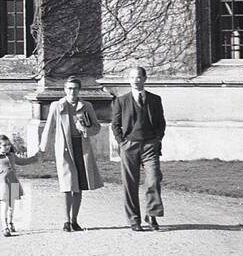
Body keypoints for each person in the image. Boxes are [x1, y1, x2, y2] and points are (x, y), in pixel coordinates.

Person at [37, 75, 103, 232]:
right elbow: (48, 128)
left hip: (81, 147)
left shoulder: (86, 106)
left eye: (75, 88)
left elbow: (97, 127)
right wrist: (42, 149)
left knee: (79, 185)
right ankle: (66, 221)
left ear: (79, 90)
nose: (72, 92)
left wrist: (86, 130)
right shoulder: (57, 106)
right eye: (69, 88)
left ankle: (74, 220)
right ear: (65, 90)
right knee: (67, 185)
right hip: (64, 148)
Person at [110, 65, 167, 232]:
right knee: (130, 184)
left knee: (154, 179)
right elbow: (115, 124)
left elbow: (161, 123)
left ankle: (152, 214)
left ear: (144, 79)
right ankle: (134, 219)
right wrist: (122, 143)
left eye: (138, 77)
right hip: (129, 145)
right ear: (129, 80)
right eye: (132, 77)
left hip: (150, 145)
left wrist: (157, 139)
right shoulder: (121, 101)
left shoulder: (155, 99)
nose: (135, 81)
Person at [0, 134, 26, 237]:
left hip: (13, 182)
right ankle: (5, 227)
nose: (7, 147)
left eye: (8, 145)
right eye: (4, 145)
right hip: (2, 185)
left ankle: (11, 222)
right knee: (4, 206)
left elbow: (22, 161)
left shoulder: (11, 156)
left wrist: (35, 158)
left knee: (12, 206)